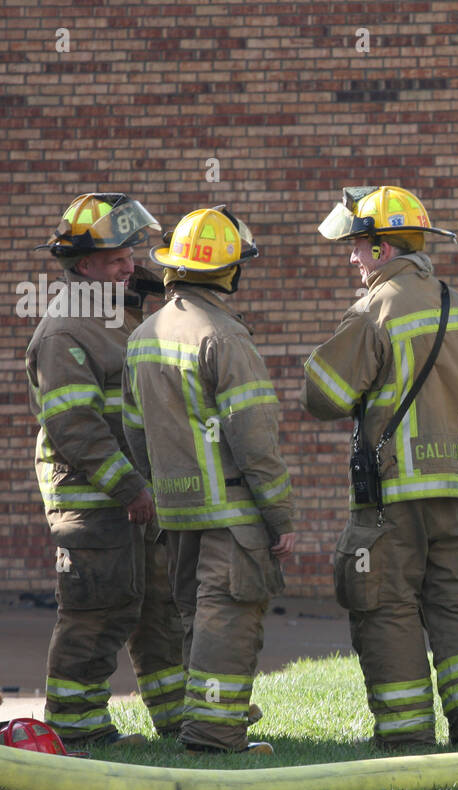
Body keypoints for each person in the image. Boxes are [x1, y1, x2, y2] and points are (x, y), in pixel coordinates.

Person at [303, 186, 458, 750]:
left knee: (385, 603)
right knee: (453, 601)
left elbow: (321, 396)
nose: (352, 258)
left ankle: (405, 731)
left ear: (385, 251)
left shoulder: (374, 309)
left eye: (360, 247)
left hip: (393, 493)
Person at [124, 205, 296, 755]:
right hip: (232, 514)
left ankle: (205, 721)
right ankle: (216, 735)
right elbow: (255, 439)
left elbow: (135, 431)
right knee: (228, 619)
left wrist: (162, 487)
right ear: (229, 272)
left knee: (198, 618)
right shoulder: (224, 337)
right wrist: (280, 515)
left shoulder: (144, 336)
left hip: (178, 514)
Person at [26, 192, 185, 748]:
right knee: (97, 608)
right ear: (85, 265)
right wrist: (129, 487)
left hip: (135, 493)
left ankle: (179, 714)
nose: (131, 266)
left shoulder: (118, 311)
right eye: (119, 258)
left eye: (130, 255)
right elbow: (77, 429)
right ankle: (76, 726)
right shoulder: (66, 332)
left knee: (155, 601)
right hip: (94, 498)